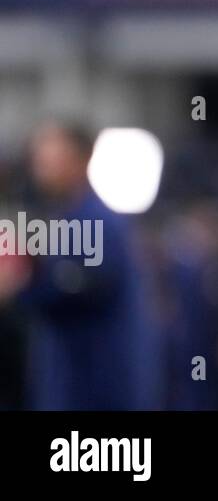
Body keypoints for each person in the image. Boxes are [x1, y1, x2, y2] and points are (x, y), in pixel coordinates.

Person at [8, 120, 161, 409]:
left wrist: (21, 285)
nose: (41, 169)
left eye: (51, 159)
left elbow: (75, 289)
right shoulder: (70, 220)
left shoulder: (97, 221)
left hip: (97, 392)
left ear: (81, 159)